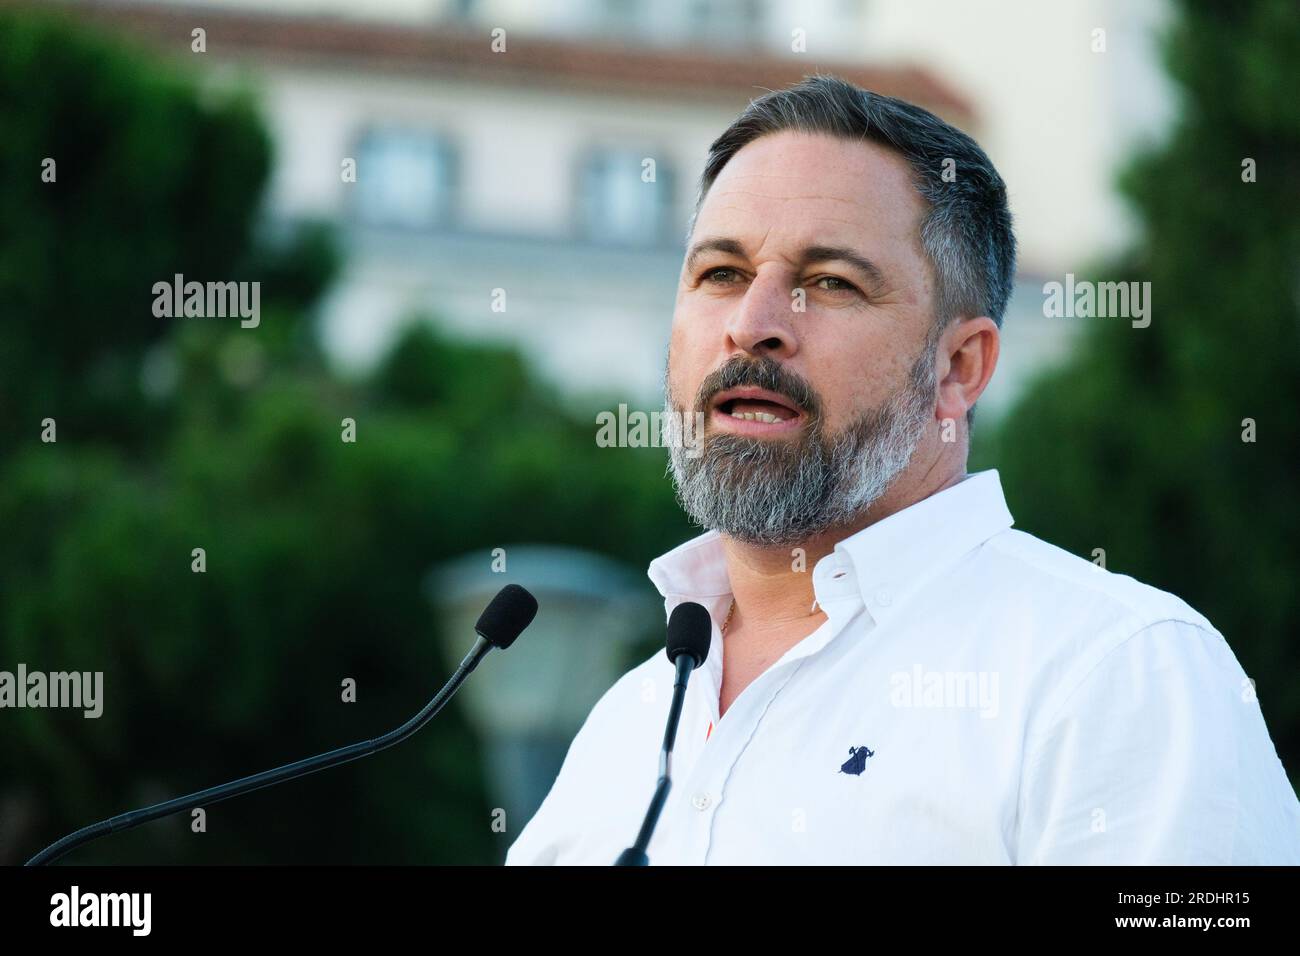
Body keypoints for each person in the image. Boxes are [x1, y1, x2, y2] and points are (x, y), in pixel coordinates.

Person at [506, 75, 1300, 865]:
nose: (753, 327)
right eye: (721, 273)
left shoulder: (1118, 675)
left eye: (830, 283)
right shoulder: (625, 726)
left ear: (958, 366)